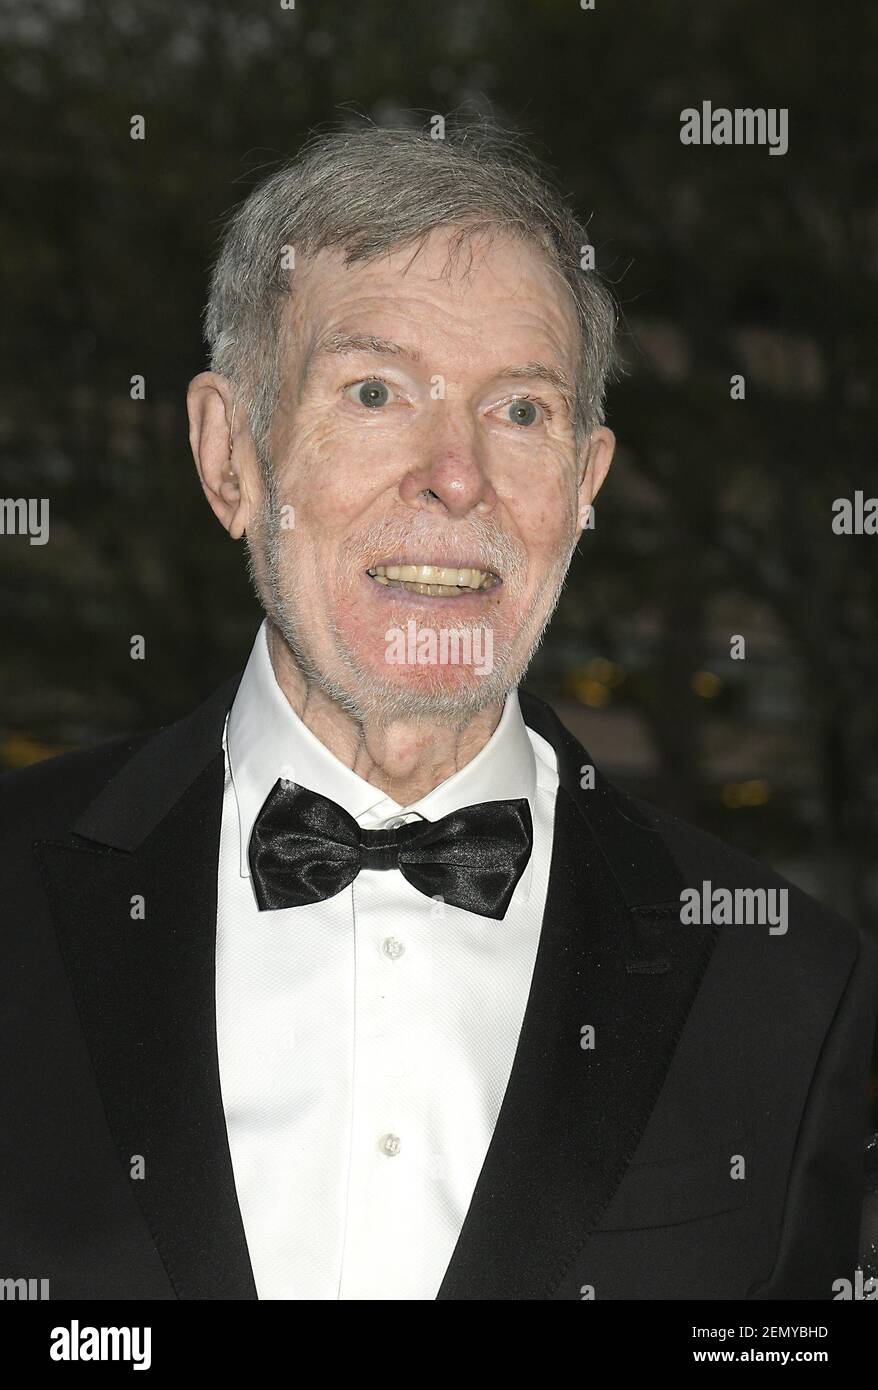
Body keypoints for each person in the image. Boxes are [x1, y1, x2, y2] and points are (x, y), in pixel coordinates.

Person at [2, 120, 876, 1301]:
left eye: (518, 411)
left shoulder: (784, 986)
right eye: (373, 391)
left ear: (582, 488)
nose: (454, 476)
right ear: (228, 459)